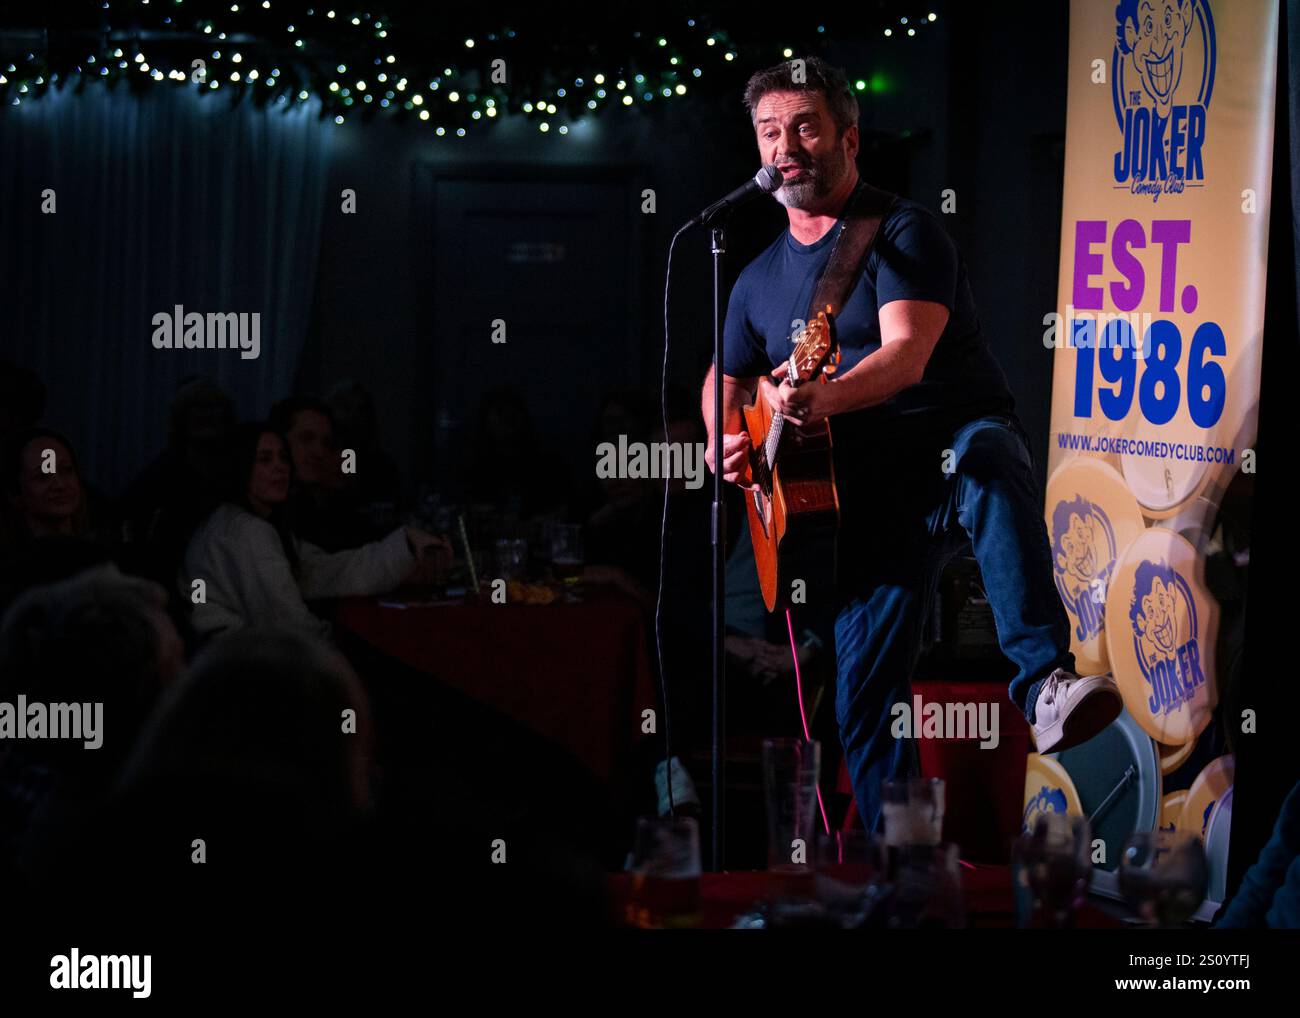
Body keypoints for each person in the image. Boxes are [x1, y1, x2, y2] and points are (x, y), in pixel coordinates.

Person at [701, 57, 1122, 833]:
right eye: (769, 132)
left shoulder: (900, 231)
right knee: (864, 706)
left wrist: (816, 397)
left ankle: (1042, 684)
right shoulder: (754, 276)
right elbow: (723, 377)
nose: (785, 145)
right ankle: (904, 874)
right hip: (862, 495)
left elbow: (905, 357)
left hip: (951, 441)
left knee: (990, 466)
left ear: (848, 138)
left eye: (804, 126)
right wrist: (724, 441)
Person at [180, 422, 449, 644]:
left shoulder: (248, 523)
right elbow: (289, 626)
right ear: (240, 468)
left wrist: (406, 544)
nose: (280, 467)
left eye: (283, 458)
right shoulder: (245, 531)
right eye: (264, 460)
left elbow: (322, 569)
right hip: (240, 674)